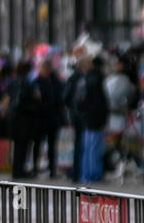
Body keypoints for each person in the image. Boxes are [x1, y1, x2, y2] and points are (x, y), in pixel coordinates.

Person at [77, 54, 109, 183]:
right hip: (95, 119)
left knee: (87, 147)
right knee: (94, 147)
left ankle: (85, 174)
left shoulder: (85, 78)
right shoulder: (97, 79)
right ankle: (93, 174)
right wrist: (103, 117)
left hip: (86, 118)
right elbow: (100, 101)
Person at [33, 58, 63, 178]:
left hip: (52, 118)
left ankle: (52, 169)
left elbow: (58, 98)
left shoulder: (54, 82)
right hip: (40, 118)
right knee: (37, 143)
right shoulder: (36, 82)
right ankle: (35, 167)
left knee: (52, 145)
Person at [64, 53, 91, 182]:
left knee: (78, 143)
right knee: (81, 144)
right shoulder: (81, 79)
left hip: (76, 114)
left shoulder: (74, 78)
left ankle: (76, 172)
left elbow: (66, 97)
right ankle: (78, 172)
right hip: (80, 115)